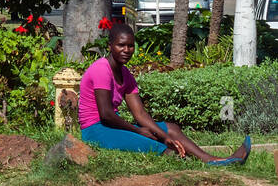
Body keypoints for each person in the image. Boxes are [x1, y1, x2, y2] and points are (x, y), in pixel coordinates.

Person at [80, 22, 250, 164]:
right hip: (96, 130)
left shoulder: (126, 74)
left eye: (130, 45)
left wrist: (164, 135)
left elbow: (139, 113)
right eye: (121, 45)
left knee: (171, 129)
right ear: (110, 46)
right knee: (160, 147)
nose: (126, 50)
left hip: (112, 126)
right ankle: (192, 167)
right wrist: (139, 132)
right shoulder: (102, 69)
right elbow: (106, 115)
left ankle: (213, 160)